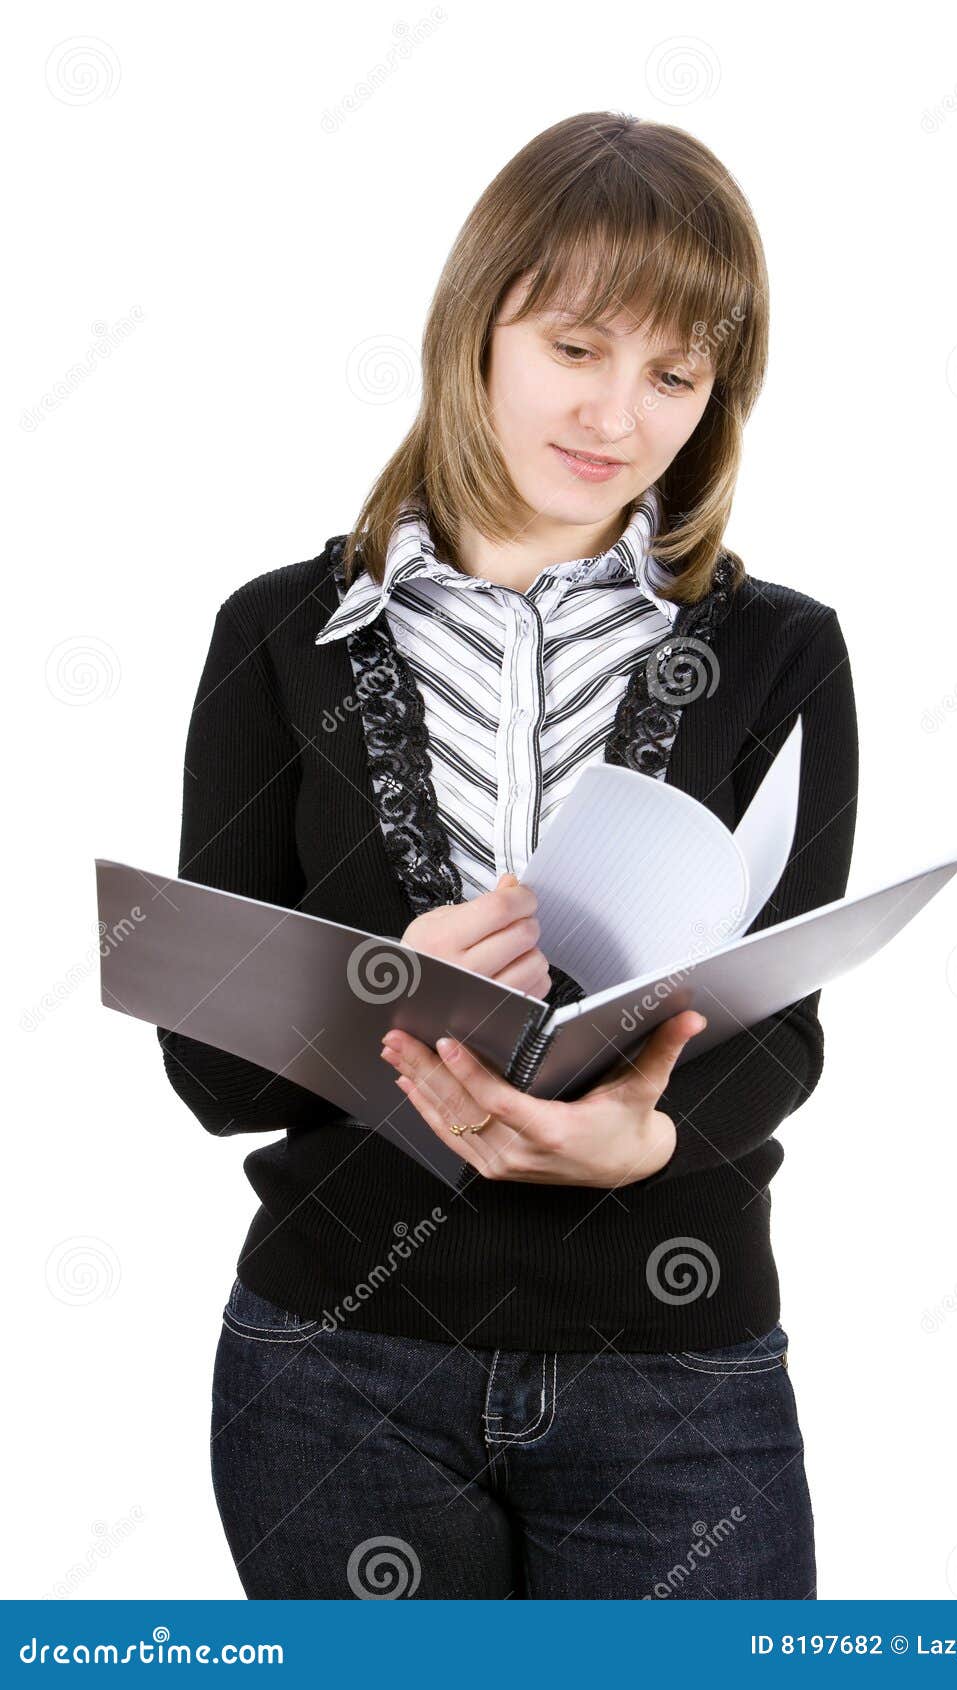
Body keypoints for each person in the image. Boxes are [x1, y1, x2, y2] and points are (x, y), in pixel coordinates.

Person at [159, 110, 858, 1600]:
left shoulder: (780, 652)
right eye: (577, 346)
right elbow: (213, 1075)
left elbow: (781, 1036)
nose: (618, 413)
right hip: (339, 1377)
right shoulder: (280, 638)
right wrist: (377, 992)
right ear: (477, 328)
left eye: (674, 373)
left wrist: (648, 1139)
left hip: (681, 1382)